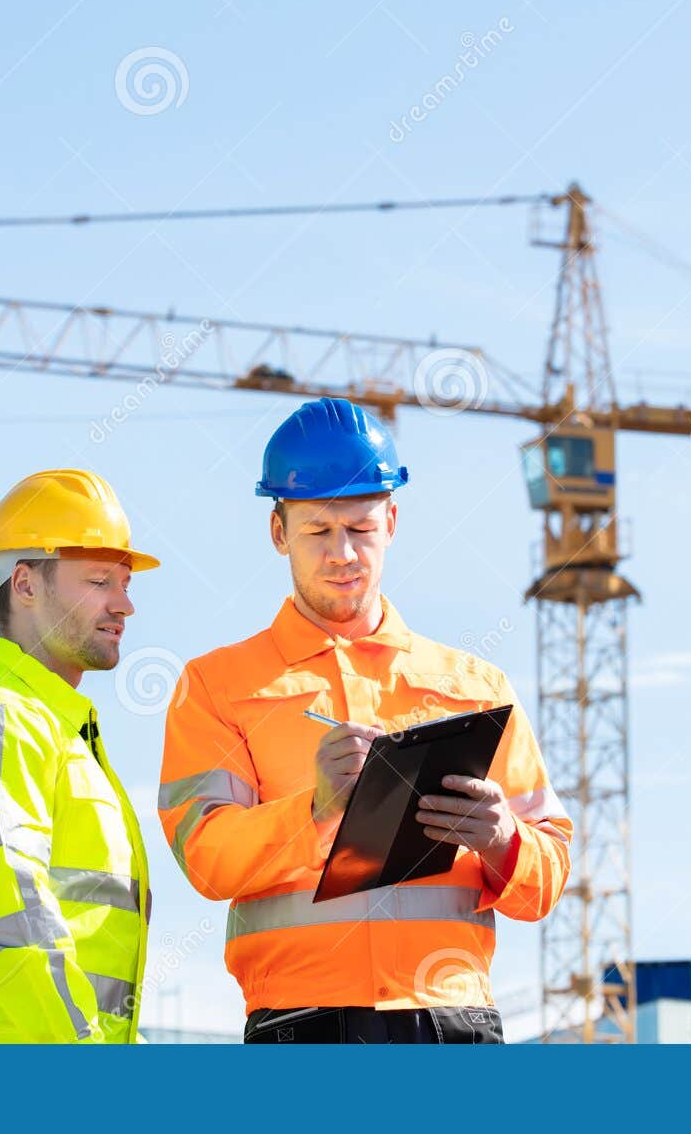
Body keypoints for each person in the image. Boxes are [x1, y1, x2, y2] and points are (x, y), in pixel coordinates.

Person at [159, 398, 572, 1044]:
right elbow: (207, 859)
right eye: (318, 530)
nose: (342, 552)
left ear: (393, 521)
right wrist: (314, 809)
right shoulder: (217, 685)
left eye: (360, 527)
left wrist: (502, 838)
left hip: (453, 1024)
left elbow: (547, 877)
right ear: (278, 532)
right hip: (301, 1026)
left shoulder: (476, 687)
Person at [0, 469, 156, 1043]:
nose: (124, 605)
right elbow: (15, 914)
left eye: (126, 583)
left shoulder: (65, 731)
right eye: (99, 582)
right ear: (25, 584)